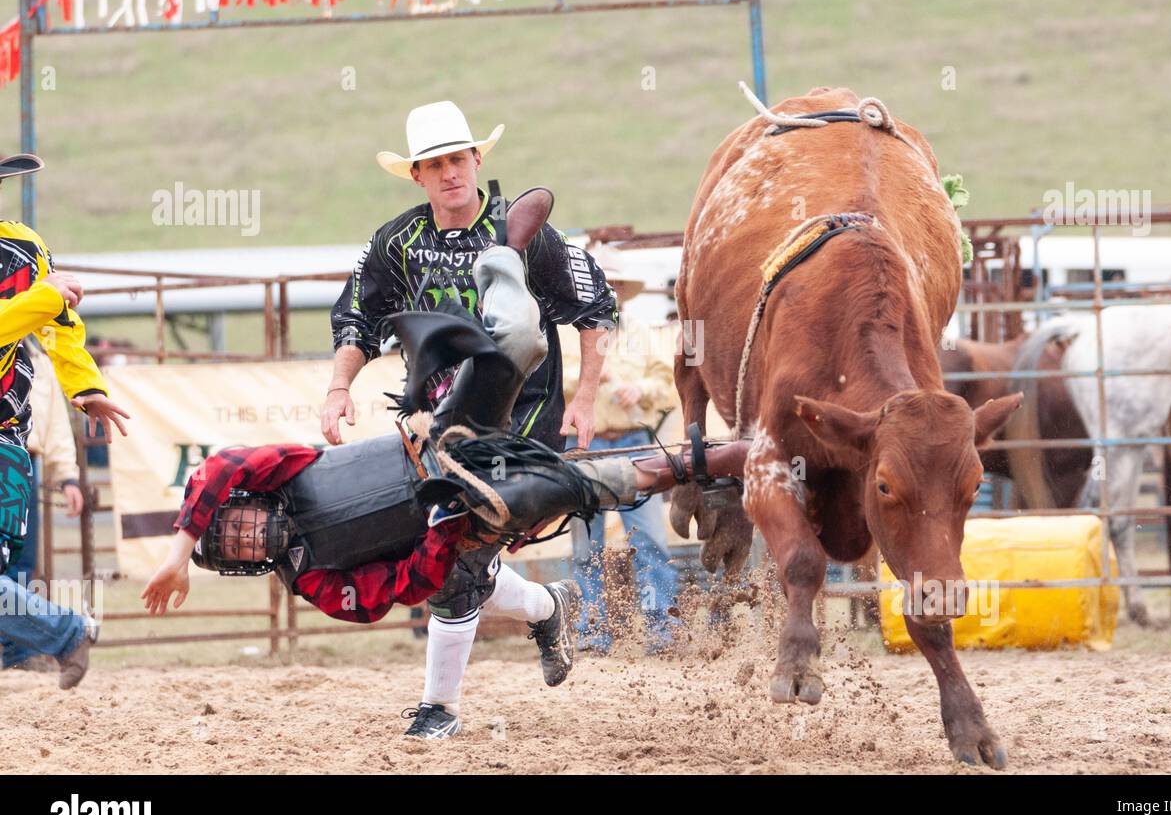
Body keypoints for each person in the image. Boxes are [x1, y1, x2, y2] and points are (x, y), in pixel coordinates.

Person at [144, 259, 749, 738]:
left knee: (512, 348)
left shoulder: (285, 474)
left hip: (444, 438)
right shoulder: (314, 580)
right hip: (471, 518)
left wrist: (179, 551)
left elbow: (222, 464)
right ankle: (718, 458)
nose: (250, 535)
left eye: (237, 524)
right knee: (581, 492)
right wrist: (442, 526)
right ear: (248, 564)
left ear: (243, 504)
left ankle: (504, 258)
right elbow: (400, 586)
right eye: (240, 546)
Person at [323, 100, 618, 453]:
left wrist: (585, 398)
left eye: (457, 160)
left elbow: (597, 305)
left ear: (476, 159)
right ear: (417, 175)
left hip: (529, 426)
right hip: (440, 430)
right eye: (435, 165)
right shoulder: (397, 241)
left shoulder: (521, 227)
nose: (449, 173)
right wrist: (339, 387)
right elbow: (356, 317)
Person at [0, 152, 130, 689]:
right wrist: (41, 298)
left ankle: (61, 632)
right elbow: (46, 310)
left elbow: (61, 328)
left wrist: (86, 386)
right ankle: (62, 631)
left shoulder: (23, 247)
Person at [561, 245, 680, 655]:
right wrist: (589, 375)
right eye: (602, 283)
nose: (609, 290)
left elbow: (666, 388)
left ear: (622, 291)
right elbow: (554, 383)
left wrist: (640, 389)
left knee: (648, 540)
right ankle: (593, 630)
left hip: (634, 443)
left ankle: (660, 627)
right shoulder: (566, 332)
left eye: (614, 284)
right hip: (586, 445)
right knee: (586, 546)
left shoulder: (642, 335)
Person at [2, 336, 86, 673]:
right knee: (15, 565)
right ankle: (56, 637)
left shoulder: (38, 355)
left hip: (20, 461)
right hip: (21, 461)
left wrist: (68, 476)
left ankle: (22, 653)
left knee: (19, 563)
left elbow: (56, 426)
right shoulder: (34, 353)